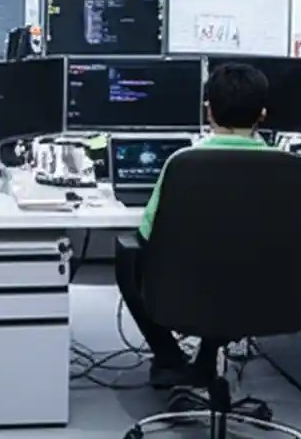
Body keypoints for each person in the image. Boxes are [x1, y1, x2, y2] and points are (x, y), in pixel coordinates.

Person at [115, 62, 274, 388]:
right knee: (232, 270)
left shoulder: (184, 163)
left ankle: (169, 358)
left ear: (208, 111)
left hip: (183, 289)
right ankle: (205, 358)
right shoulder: (287, 167)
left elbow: (148, 234)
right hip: (258, 288)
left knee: (127, 255)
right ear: (262, 114)